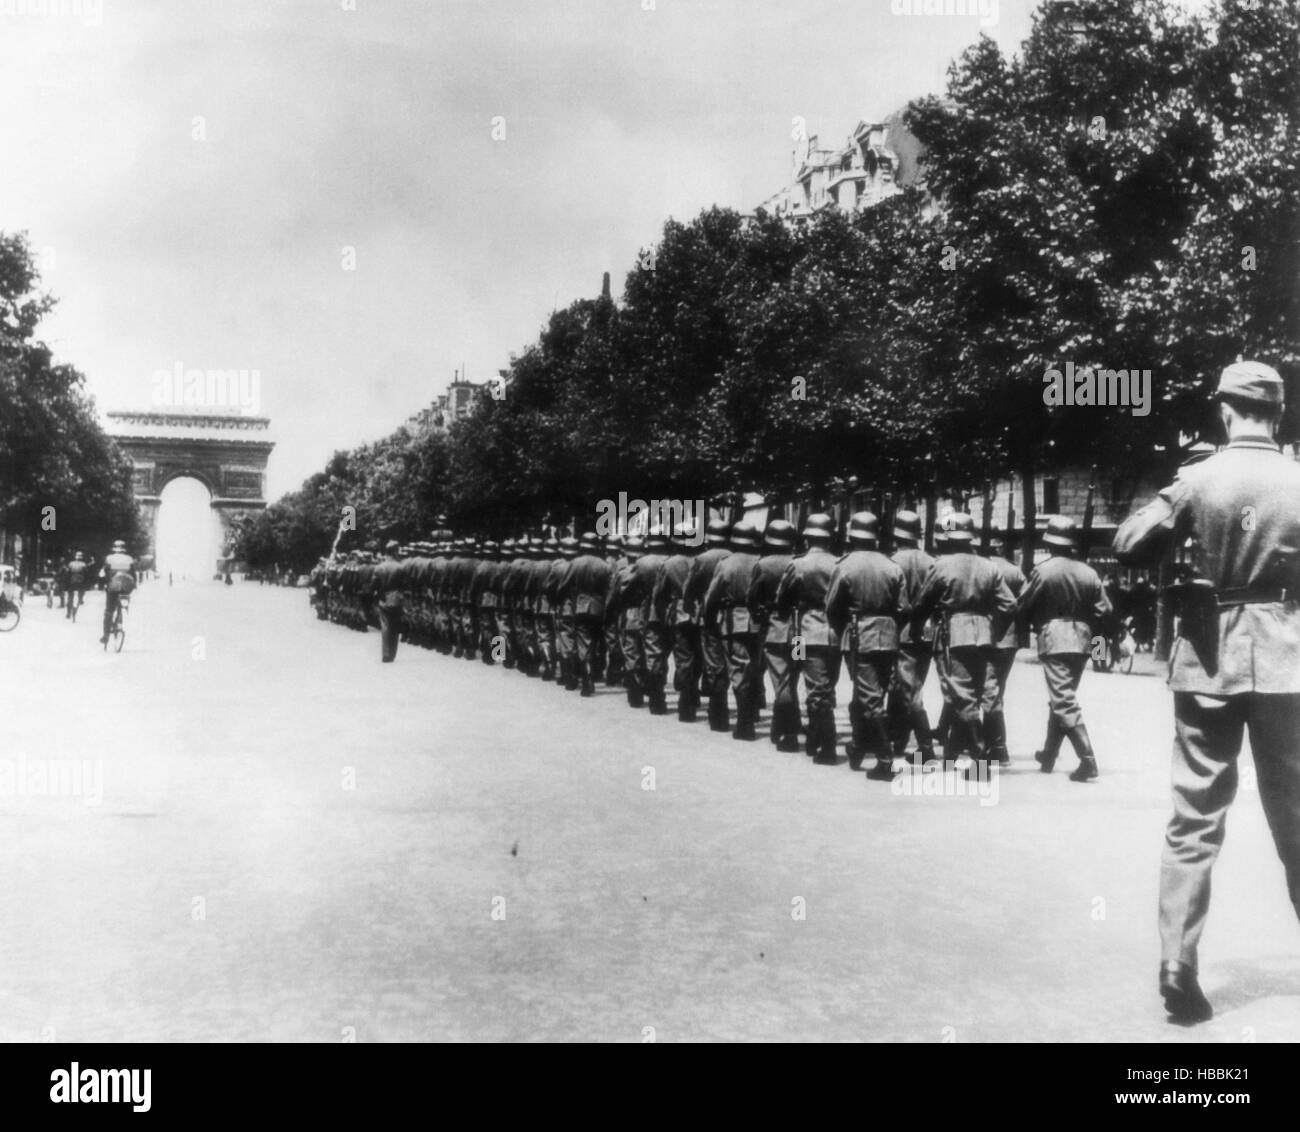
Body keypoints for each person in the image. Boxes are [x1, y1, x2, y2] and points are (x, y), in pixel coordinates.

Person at [1115, 360, 1300, 1024]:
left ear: (1224, 411)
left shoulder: (1197, 479)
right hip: (1288, 663)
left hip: (1208, 660)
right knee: (1296, 812)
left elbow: (1128, 541)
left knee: (1194, 816)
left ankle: (1178, 965)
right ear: (1278, 415)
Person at [913, 512, 1016, 778]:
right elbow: (1009, 604)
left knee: (962, 696)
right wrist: (994, 629)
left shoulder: (942, 565)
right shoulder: (989, 566)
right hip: (983, 636)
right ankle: (952, 754)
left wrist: (915, 629)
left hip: (953, 635)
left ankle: (980, 760)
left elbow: (924, 602)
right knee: (972, 692)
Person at [1016, 516, 1110, 781]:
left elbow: (1022, 604)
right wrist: (1098, 648)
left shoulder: (1043, 571)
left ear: (1049, 542)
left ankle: (1088, 760)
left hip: (1053, 639)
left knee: (1063, 700)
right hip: (1082, 640)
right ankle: (1049, 754)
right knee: (1062, 696)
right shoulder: (1088, 572)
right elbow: (1105, 611)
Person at [827, 512, 909, 777]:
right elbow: (903, 608)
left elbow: (832, 607)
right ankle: (859, 746)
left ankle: (885, 758)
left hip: (859, 635)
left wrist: (845, 630)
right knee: (871, 695)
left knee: (869, 699)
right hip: (888, 635)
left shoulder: (846, 565)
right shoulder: (891, 566)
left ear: (852, 535)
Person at [775, 514, 841, 763]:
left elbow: (782, 598)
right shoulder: (838, 563)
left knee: (802, 677)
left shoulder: (798, 564)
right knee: (826, 685)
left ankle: (826, 745)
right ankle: (815, 739)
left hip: (802, 634)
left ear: (807, 536)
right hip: (833, 633)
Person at [703, 521, 764, 740]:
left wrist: (709, 619)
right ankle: (753, 714)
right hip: (758, 622)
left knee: (738, 671)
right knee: (754, 666)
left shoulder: (726, 564)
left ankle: (745, 723)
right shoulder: (760, 562)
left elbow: (713, 595)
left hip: (733, 621)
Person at [887, 510, 937, 765]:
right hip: (928, 633)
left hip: (901, 633)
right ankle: (898, 739)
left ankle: (926, 747)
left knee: (908, 690)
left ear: (897, 534)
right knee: (907, 687)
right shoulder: (932, 561)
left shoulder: (892, 561)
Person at [750, 519, 800, 751]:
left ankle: (789, 734)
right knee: (794, 678)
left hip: (776, 631)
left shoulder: (763, 565)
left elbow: (753, 598)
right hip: (800, 633)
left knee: (781, 684)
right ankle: (782, 726)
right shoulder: (800, 563)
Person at [982, 536, 1026, 767]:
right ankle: (991, 742)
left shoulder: (982, 568)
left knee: (988, 691)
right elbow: (1024, 602)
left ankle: (998, 746)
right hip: (1010, 639)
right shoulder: (1015, 572)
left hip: (987, 636)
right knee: (997, 690)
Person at [370, 541, 405, 662]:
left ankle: (385, 653)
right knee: (395, 627)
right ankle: (393, 654)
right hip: (396, 599)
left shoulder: (379, 567)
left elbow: (373, 585)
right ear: (395, 551)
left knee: (385, 626)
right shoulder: (400, 567)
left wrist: (376, 594)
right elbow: (405, 585)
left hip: (383, 599)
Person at [100, 541, 136, 644]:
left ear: (114, 548)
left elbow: (103, 573)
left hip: (113, 587)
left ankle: (106, 635)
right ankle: (121, 617)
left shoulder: (109, 558)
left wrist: (103, 584)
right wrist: (133, 586)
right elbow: (133, 574)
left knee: (109, 611)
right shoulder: (129, 559)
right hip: (126, 588)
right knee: (123, 602)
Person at [65, 551, 88, 621]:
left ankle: (68, 613)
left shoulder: (70, 564)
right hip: (80, 582)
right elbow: (86, 574)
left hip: (72, 582)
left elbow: (67, 574)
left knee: (70, 598)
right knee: (80, 594)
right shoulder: (84, 564)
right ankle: (80, 600)